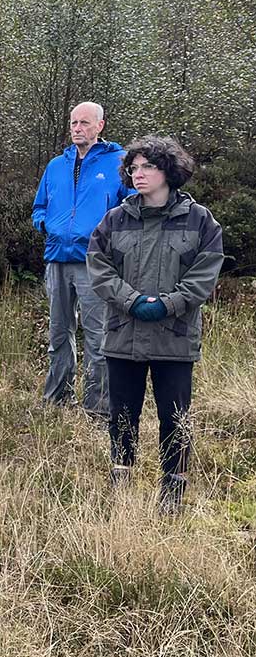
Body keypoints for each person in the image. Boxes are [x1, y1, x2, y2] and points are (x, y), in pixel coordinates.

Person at [87, 135, 223, 514]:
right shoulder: (115, 219)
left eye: (148, 166)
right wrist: (132, 302)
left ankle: (173, 494)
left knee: (174, 418)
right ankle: (121, 488)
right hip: (123, 335)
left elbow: (204, 274)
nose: (139, 174)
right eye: (134, 167)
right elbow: (98, 267)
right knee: (122, 417)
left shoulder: (200, 221)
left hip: (174, 338)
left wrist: (167, 304)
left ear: (169, 170)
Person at [32, 102, 130, 417]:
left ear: (100, 126)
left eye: (84, 123)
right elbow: (39, 208)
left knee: (98, 337)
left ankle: (97, 409)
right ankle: (56, 400)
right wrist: (47, 225)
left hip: (96, 262)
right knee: (59, 334)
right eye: (73, 122)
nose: (77, 128)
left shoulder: (119, 163)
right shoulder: (55, 166)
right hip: (57, 259)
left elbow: (131, 208)